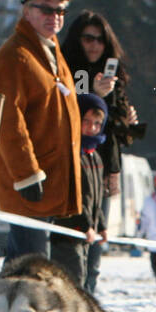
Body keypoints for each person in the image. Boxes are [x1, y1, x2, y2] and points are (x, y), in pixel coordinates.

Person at [0, 0, 82, 261]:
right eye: (46, 10)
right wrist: (26, 174)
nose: (55, 17)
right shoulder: (14, 56)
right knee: (30, 264)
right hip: (30, 186)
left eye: (61, 11)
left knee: (32, 264)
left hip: (54, 181)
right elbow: (6, 120)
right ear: (26, 11)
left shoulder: (50, 50)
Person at [60, 11, 144, 293]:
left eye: (101, 39)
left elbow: (116, 133)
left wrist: (126, 120)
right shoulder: (67, 69)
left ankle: (89, 301)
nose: (95, 45)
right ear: (77, 40)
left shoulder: (114, 75)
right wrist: (95, 94)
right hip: (74, 166)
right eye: (88, 38)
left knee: (96, 247)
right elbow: (70, 117)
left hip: (105, 165)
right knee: (73, 249)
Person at [49, 92, 108, 289]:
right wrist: (83, 225)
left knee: (88, 278)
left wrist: (101, 225)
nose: (92, 128)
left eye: (97, 124)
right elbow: (71, 194)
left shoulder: (96, 156)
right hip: (69, 231)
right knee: (72, 281)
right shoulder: (70, 153)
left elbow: (96, 197)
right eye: (87, 121)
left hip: (87, 234)